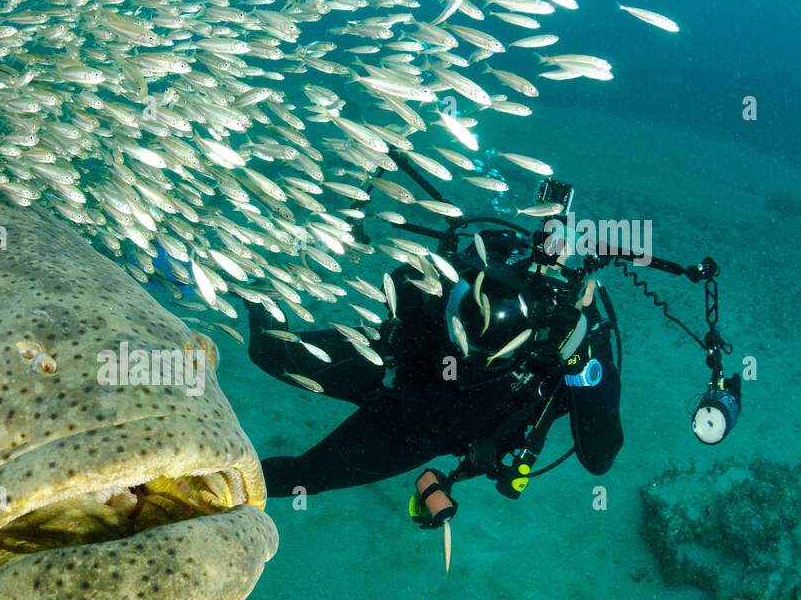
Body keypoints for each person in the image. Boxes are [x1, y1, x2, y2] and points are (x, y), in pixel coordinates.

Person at [247, 221, 623, 515]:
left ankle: (204, 488)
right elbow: (401, 283)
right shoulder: (497, 259)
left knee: (303, 476)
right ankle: (238, 275)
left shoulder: (579, 341)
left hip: (418, 429)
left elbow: (600, 459)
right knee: (267, 350)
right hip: (390, 360)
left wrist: (578, 354)